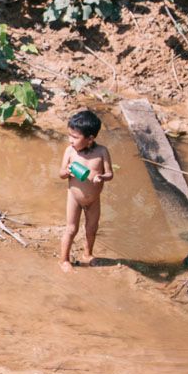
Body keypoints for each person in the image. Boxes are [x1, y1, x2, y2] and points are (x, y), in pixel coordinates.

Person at [58, 110, 113, 272]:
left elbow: (110, 174)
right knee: (71, 229)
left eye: (75, 137)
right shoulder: (70, 151)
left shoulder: (102, 152)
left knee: (92, 228)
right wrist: (67, 171)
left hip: (94, 199)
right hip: (75, 197)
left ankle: (87, 254)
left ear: (90, 139)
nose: (70, 140)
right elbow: (61, 174)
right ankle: (64, 260)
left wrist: (102, 177)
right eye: (69, 135)